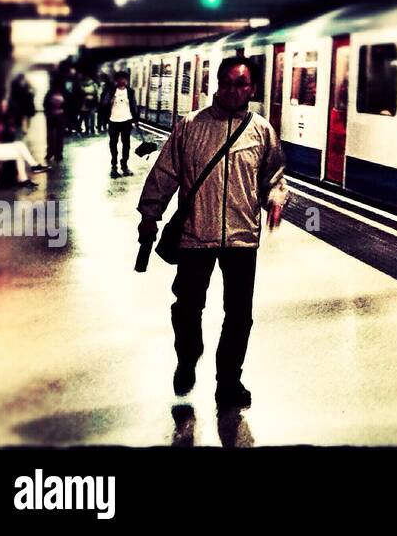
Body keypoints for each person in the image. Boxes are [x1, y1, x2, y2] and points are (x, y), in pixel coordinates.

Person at [136, 56, 288, 411]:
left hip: (241, 237)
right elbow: (164, 173)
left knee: (239, 314)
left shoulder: (261, 130)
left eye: (242, 84)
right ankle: (188, 357)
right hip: (195, 234)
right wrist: (149, 214)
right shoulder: (190, 127)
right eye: (228, 83)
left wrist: (275, 198)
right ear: (217, 85)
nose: (235, 91)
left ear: (252, 88)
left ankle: (229, 381)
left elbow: (274, 174)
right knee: (187, 307)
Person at [101, 71, 139, 178]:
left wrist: (136, 118)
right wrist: (110, 101)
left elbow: (134, 105)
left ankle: (125, 166)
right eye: (120, 79)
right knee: (113, 144)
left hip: (126, 121)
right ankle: (114, 167)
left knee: (126, 144)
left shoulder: (130, 91)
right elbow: (103, 103)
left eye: (124, 79)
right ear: (116, 80)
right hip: (113, 121)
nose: (122, 81)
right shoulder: (111, 91)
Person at [43, 87, 66, 163]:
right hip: (54, 116)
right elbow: (45, 104)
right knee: (54, 136)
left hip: (57, 116)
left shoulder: (50, 94)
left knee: (54, 136)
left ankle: (54, 153)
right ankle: (55, 154)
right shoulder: (62, 93)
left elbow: (45, 104)